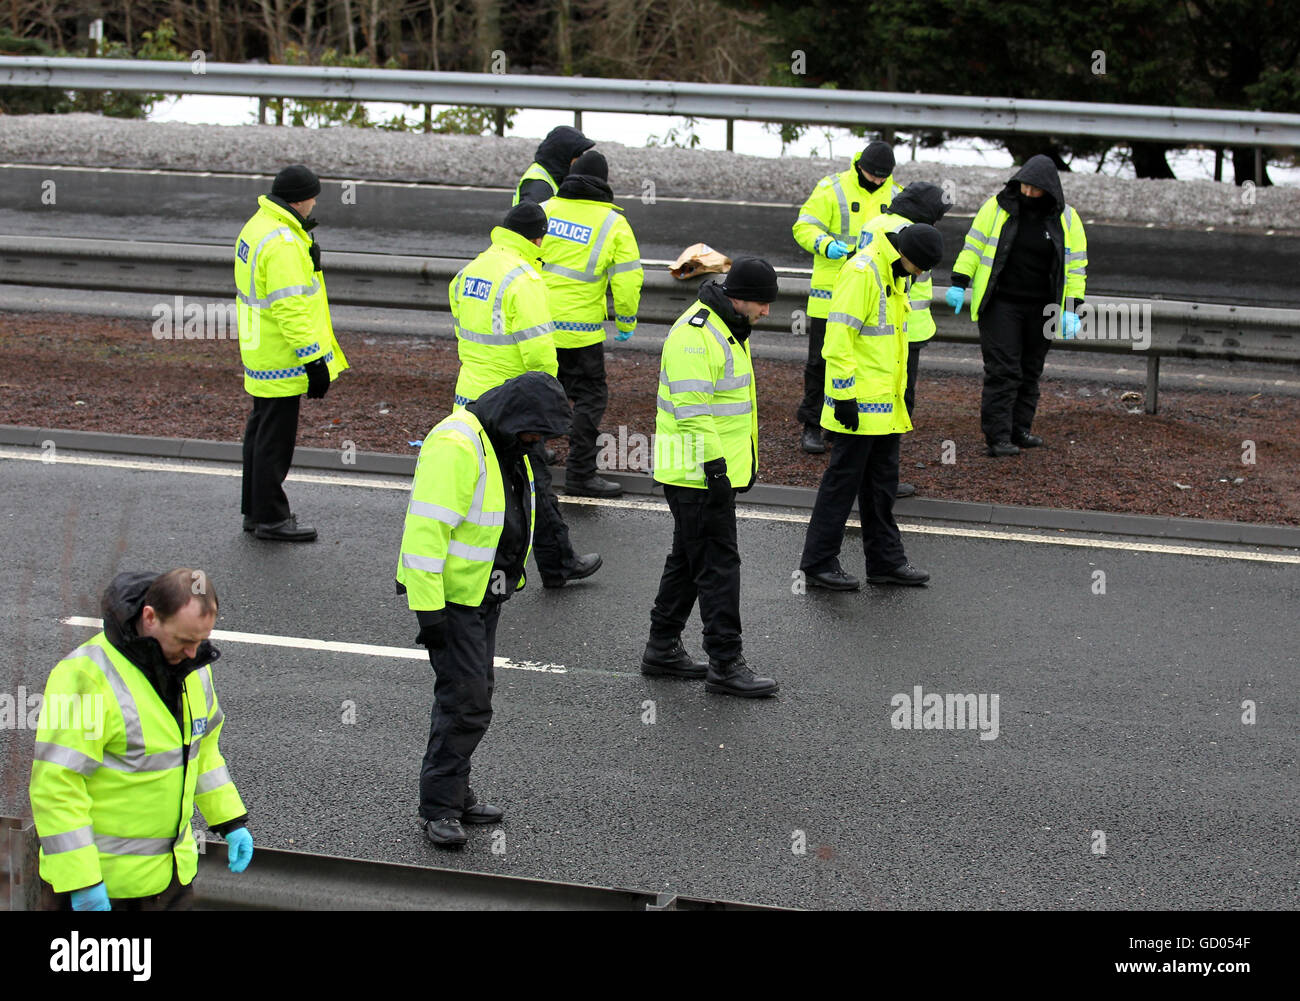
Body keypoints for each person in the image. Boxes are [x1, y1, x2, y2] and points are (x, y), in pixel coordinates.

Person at [396, 372, 572, 847]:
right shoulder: (458, 445)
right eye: (537, 432)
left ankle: (454, 793)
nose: (539, 443)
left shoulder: (501, 443)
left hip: (482, 594)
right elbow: (425, 533)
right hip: (453, 600)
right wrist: (429, 613)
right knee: (466, 700)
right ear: (517, 419)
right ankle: (439, 807)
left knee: (471, 696)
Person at [28, 569, 252, 910]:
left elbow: (202, 751)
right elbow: (57, 786)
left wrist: (229, 820)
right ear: (149, 618)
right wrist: (82, 882)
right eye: (184, 641)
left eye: (201, 641)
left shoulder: (193, 668)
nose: (194, 654)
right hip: (105, 889)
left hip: (172, 879)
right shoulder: (85, 678)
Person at [641, 258, 780, 698]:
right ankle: (725, 663)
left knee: (688, 559)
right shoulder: (697, 335)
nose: (768, 312)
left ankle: (662, 648)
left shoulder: (726, 327)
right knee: (719, 567)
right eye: (762, 302)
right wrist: (715, 468)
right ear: (739, 297)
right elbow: (693, 410)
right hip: (697, 474)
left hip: (703, 471)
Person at [449, 202, 601, 588]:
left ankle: (469, 562)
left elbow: (461, 324)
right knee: (534, 485)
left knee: (478, 486)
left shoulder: (470, 271)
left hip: (469, 397)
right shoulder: (525, 279)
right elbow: (538, 355)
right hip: (510, 407)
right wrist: (545, 404)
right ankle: (557, 564)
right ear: (537, 237)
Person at [798, 224, 944, 591]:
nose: (921, 275)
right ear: (906, 256)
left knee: (881, 486)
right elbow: (838, 338)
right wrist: (844, 396)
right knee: (841, 485)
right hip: (859, 406)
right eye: (920, 267)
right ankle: (817, 564)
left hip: (885, 408)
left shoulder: (894, 273)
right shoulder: (863, 272)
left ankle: (885, 562)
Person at [947, 154, 1088, 456]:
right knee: (1003, 371)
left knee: (1030, 371)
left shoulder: (1068, 219)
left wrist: (1072, 308)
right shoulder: (997, 208)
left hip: (1042, 308)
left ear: (1049, 190)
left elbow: (1075, 268)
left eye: (1034, 189)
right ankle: (998, 437)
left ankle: (1019, 429)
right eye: (1023, 186)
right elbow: (973, 246)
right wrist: (959, 281)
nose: (1027, 193)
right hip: (1001, 304)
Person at [236, 164, 348, 542]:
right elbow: (291, 308)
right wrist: (313, 359)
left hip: (260, 347)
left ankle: (255, 511)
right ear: (299, 199)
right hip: (282, 354)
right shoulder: (282, 241)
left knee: (260, 431)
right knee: (274, 439)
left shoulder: (258, 225)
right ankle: (271, 518)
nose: (315, 202)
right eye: (312, 196)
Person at [538, 150, 643, 498]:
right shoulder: (613, 223)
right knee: (589, 397)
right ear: (604, 182)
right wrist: (626, 320)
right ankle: (581, 473)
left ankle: (535, 460)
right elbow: (627, 280)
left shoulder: (546, 210)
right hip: (580, 332)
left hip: (537, 325)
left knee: (541, 391)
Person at [792, 140, 901, 455]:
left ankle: (843, 427)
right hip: (831, 295)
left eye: (883, 177)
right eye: (872, 175)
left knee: (860, 365)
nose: (877, 181)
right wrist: (825, 244)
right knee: (821, 363)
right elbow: (804, 226)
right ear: (859, 166)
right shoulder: (833, 188)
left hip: (873, 300)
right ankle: (813, 425)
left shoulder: (896, 195)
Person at [858, 181, 951, 496]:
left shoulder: (874, 223)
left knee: (874, 400)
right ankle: (883, 480)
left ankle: (868, 474)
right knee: (896, 405)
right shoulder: (912, 233)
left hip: (876, 330)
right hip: (903, 332)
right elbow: (904, 280)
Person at [513, 126, 595, 206]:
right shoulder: (539, 186)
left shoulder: (556, 175)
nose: (580, 159)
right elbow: (534, 218)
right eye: (577, 154)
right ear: (563, 155)